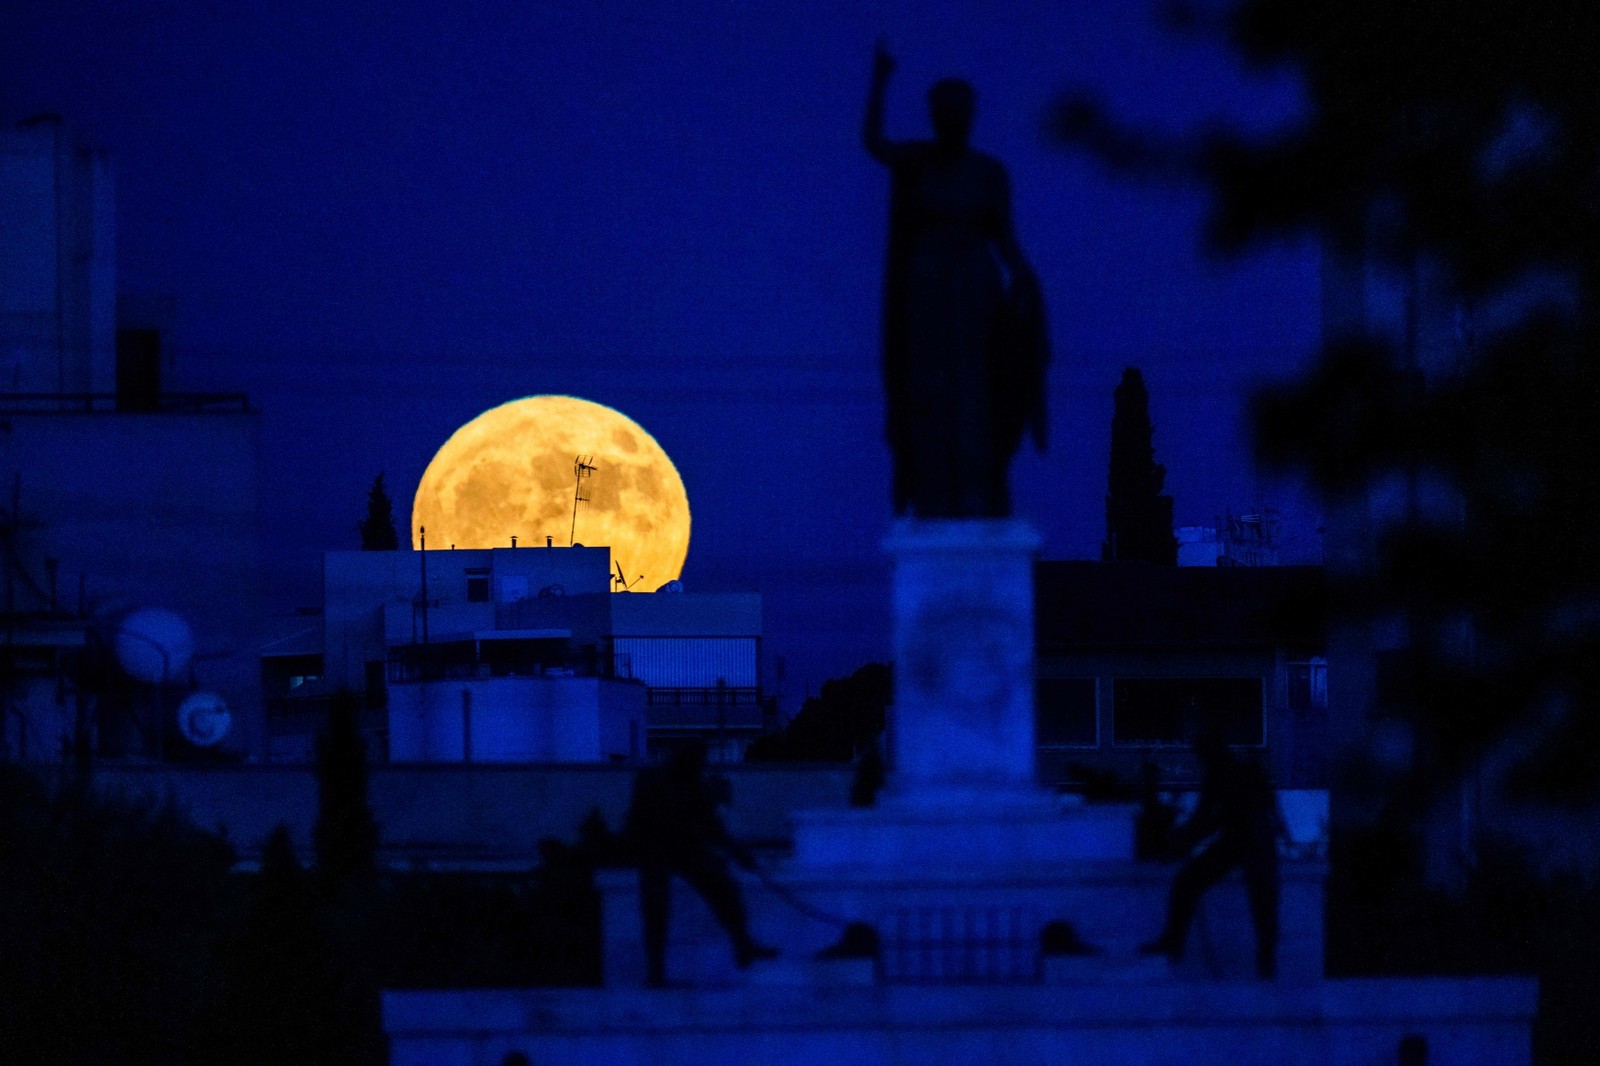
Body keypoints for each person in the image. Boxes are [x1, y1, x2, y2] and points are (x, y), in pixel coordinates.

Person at [864, 38, 1048, 518]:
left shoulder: (988, 172)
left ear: (970, 118)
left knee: (978, 387)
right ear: (935, 117)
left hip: (975, 285)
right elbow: (875, 143)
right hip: (927, 286)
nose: (953, 121)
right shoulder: (917, 162)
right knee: (927, 387)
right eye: (945, 113)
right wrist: (880, 81)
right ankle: (933, 492)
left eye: (960, 113)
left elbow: (1005, 238)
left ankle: (976, 491)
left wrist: (1026, 281)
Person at [624, 742, 777, 986]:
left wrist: (738, 853)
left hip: (684, 848)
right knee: (655, 904)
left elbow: (713, 825)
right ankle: (656, 972)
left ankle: (742, 942)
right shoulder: (651, 780)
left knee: (724, 884)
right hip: (653, 848)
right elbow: (646, 821)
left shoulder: (693, 785)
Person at [1140, 729, 1285, 978]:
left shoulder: (1219, 774)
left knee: (1188, 881)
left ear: (1206, 753)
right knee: (1264, 908)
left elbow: (1204, 821)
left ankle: (1174, 942)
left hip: (1243, 841)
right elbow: (1267, 809)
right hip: (1256, 841)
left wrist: (1177, 849)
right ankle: (1266, 966)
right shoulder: (1246, 770)